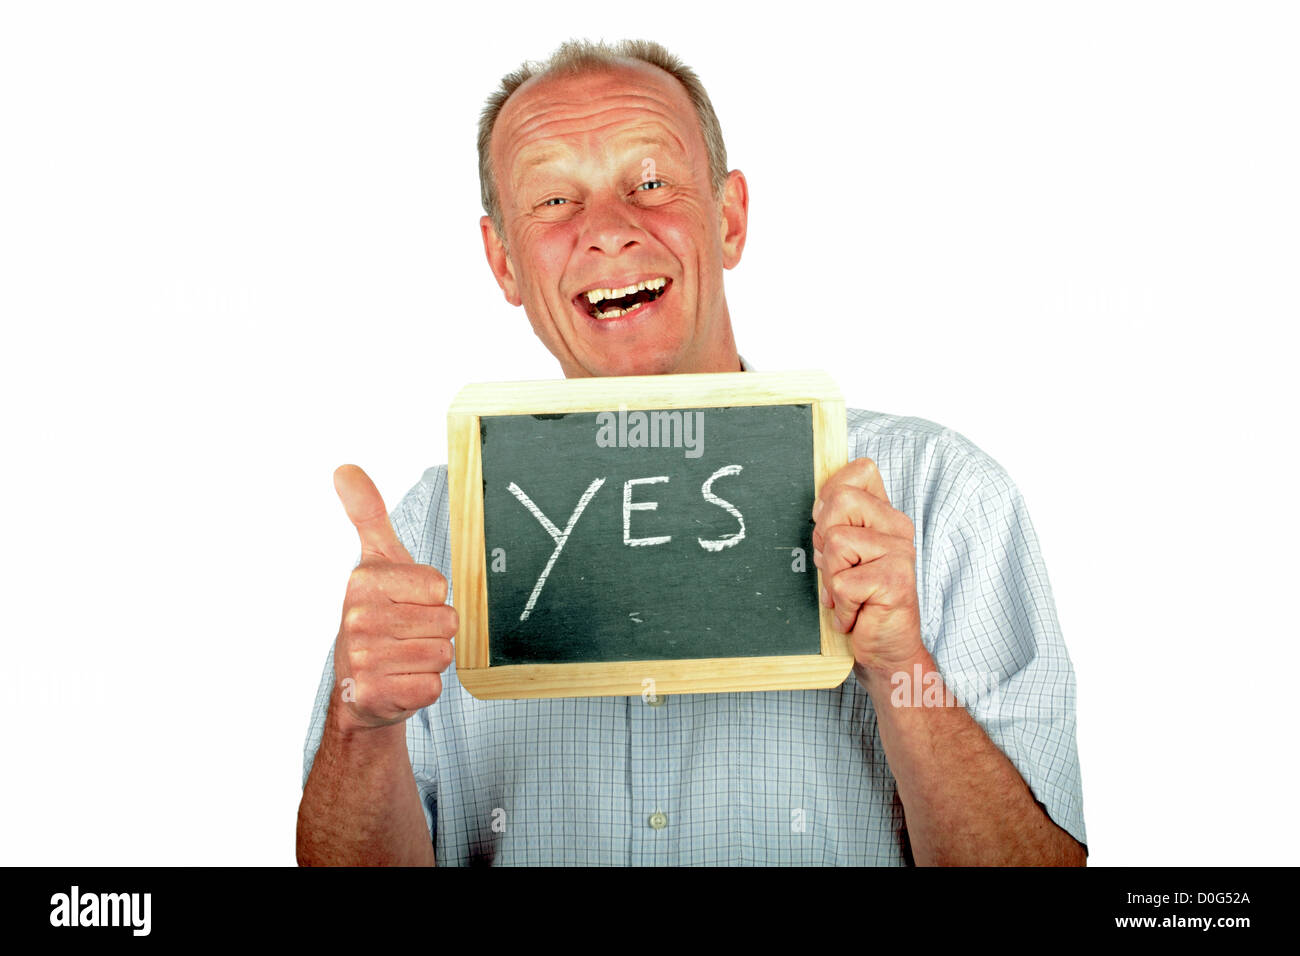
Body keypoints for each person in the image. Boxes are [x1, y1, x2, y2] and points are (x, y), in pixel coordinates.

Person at [296, 38, 1087, 866]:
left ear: (730, 216)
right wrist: (363, 725)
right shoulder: (429, 533)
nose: (607, 233)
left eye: (650, 184)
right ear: (503, 262)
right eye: (556, 201)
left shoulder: (937, 496)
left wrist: (900, 669)